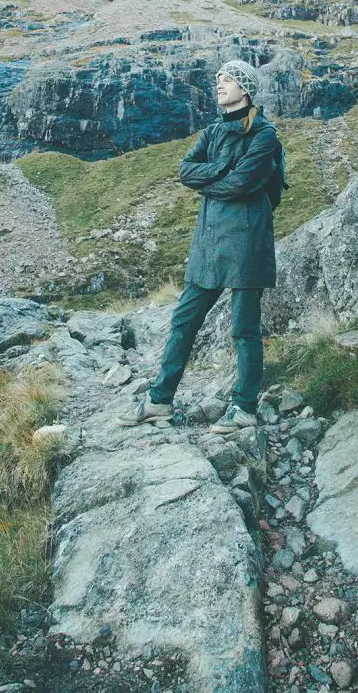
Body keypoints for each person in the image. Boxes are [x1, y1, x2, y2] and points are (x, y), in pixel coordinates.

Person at [118, 58, 284, 434]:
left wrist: (212, 179)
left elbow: (241, 184)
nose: (220, 84)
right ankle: (160, 401)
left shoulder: (264, 135)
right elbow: (185, 170)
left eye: (228, 79)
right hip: (209, 243)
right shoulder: (211, 132)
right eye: (218, 79)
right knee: (183, 322)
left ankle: (243, 408)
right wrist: (221, 172)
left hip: (247, 243)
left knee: (244, 330)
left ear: (245, 89)